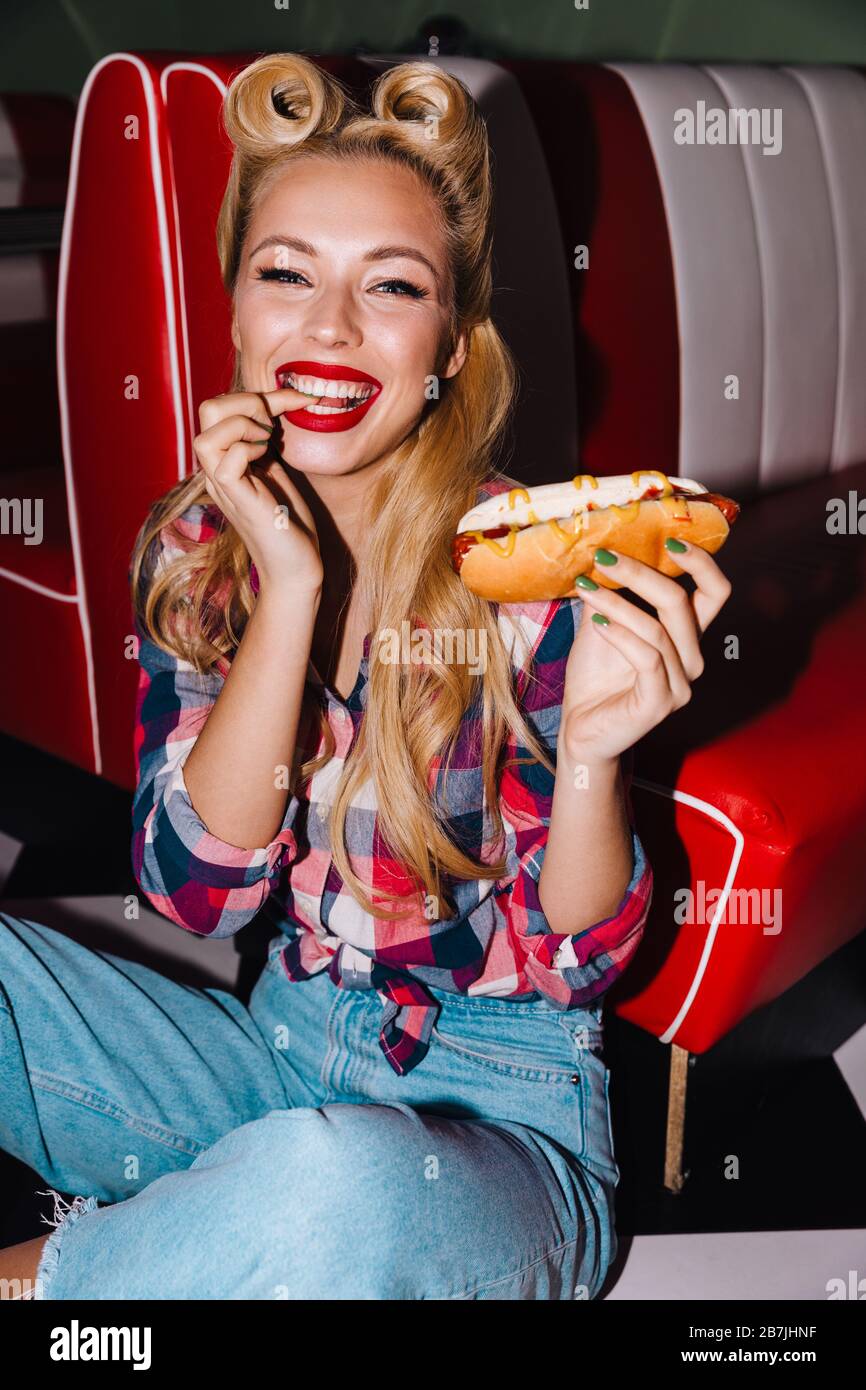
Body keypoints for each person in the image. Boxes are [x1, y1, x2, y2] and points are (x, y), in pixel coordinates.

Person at [0, 53, 731, 1300]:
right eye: (286, 273)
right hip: (273, 1057)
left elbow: (580, 963)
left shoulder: (526, 566)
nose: (328, 327)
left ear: (449, 340)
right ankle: (218, 1233)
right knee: (290, 1155)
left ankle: (71, 1279)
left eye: (391, 286)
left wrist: (601, 758)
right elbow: (196, 901)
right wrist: (286, 588)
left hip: (500, 1126)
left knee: (335, 1189)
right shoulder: (201, 542)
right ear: (232, 306)